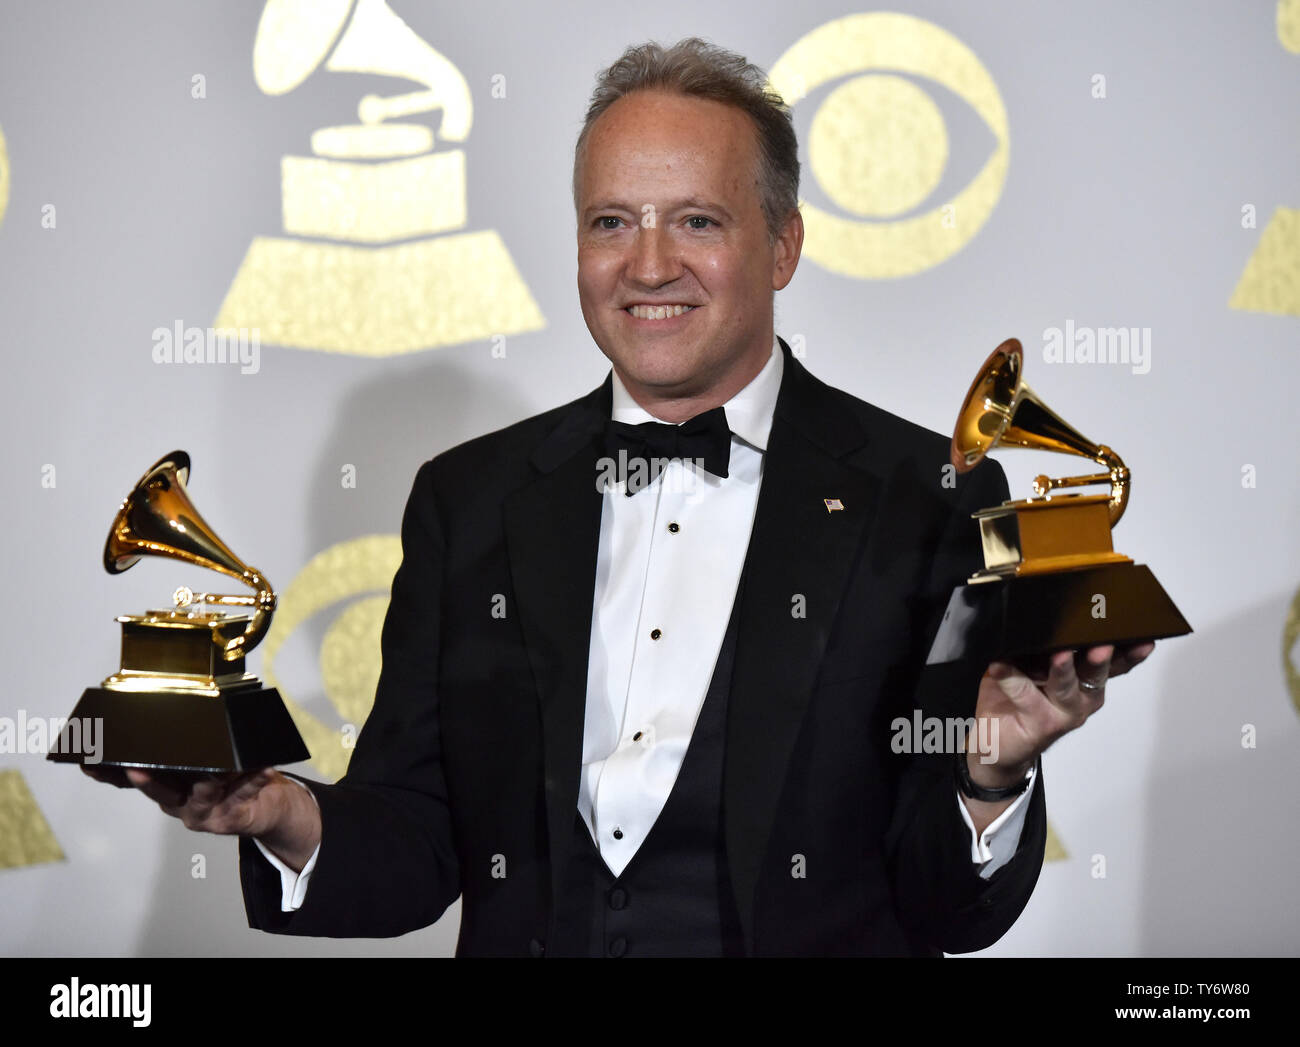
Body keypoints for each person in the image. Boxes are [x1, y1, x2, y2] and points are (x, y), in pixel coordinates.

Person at [85, 38, 1154, 956]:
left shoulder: (931, 496)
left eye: (695, 221)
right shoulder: (470, 500)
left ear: (780, 244)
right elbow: (419, 847)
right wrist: (281, 813)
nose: (646, 265)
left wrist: (983, 774)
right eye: (610, 222)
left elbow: (946, 906)